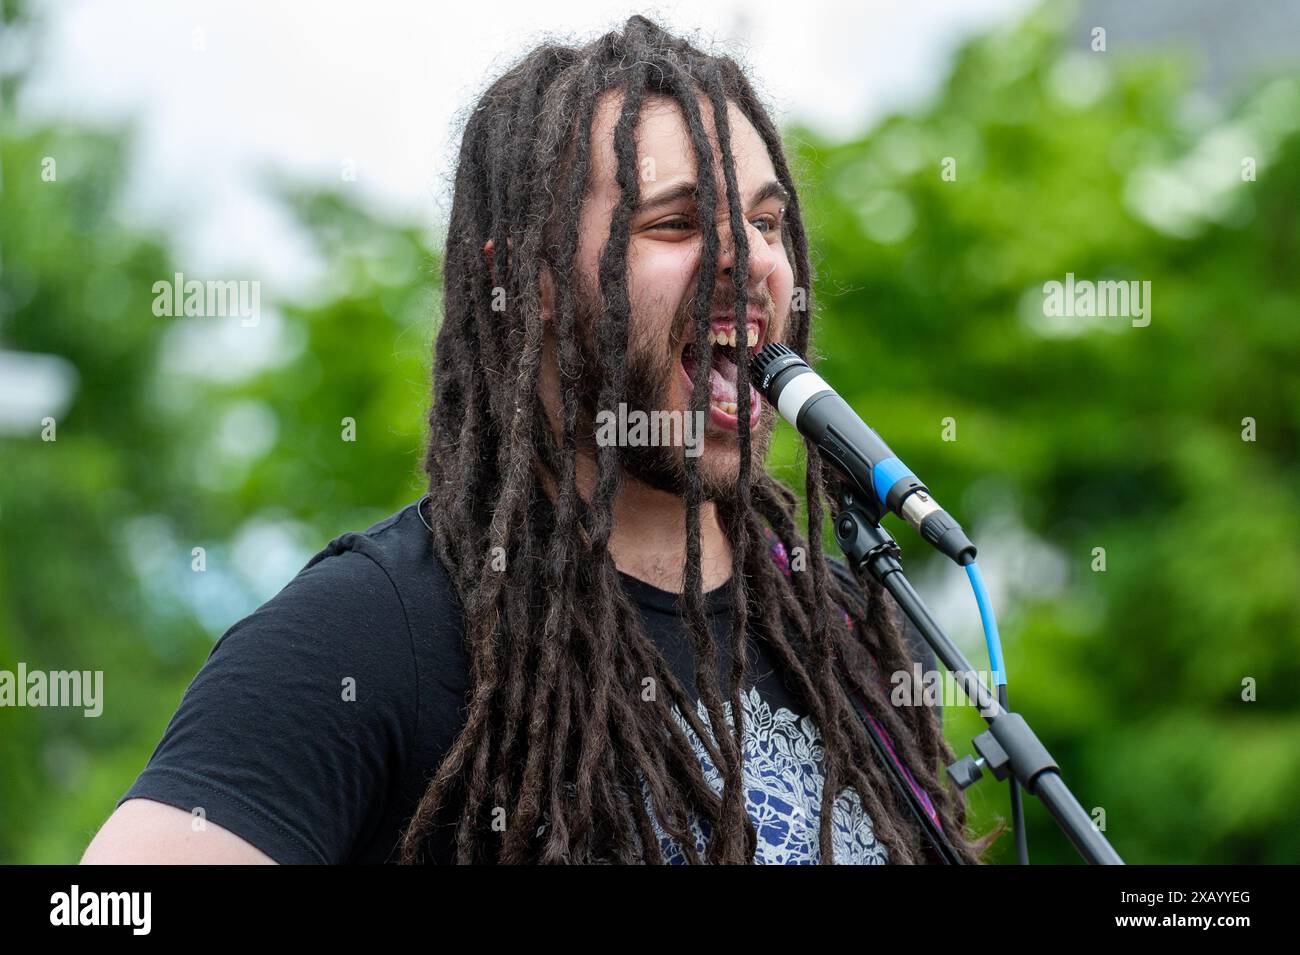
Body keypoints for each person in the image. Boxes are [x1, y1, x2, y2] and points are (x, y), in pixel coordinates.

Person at [82, 14, 996, 865]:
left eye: (764, 222)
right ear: (530, 280)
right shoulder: (370, 632)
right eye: (676, 222)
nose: (752, 258)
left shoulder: (842, 629)